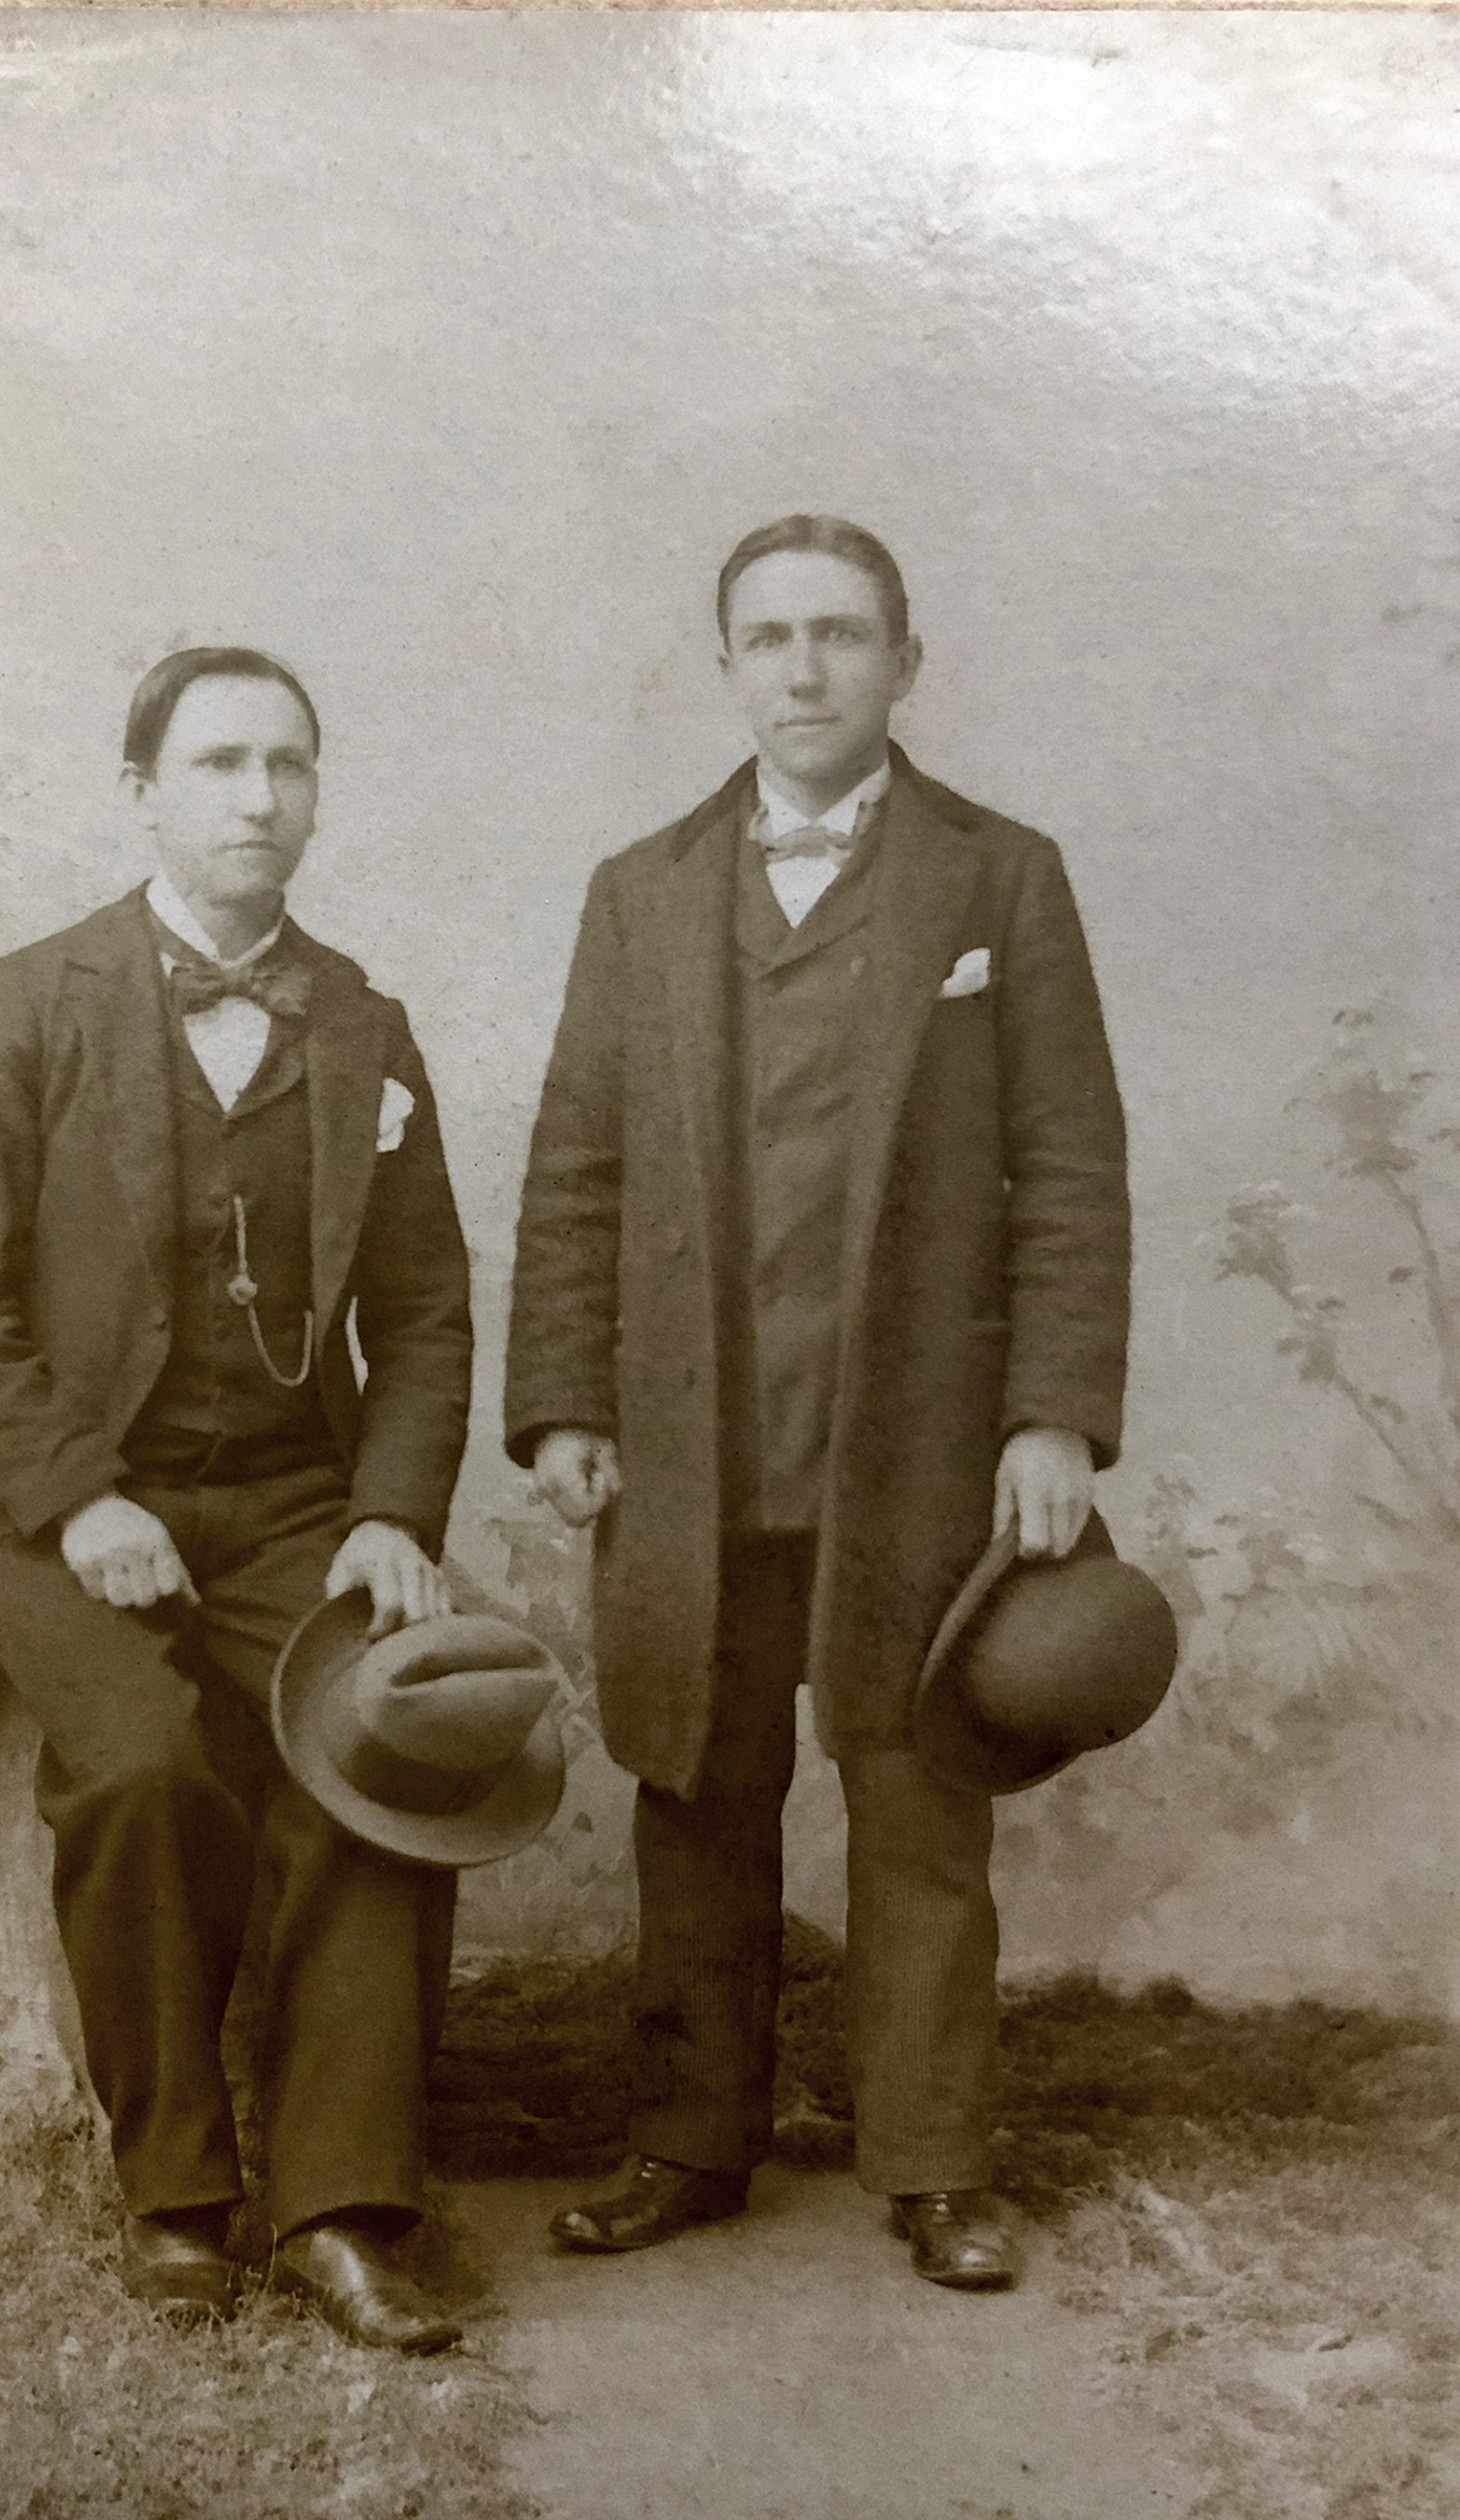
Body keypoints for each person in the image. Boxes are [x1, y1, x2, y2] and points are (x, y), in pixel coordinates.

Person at [505, 517, 1130, 2289]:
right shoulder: (642, 889)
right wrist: (562, 1400)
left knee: (920, 1802)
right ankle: (690, 2139)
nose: (803, 670)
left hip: (917, 1443)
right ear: (725, 667)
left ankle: (934, 2163)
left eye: (842, 636)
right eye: (768, 638)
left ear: (905, 663)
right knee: (696, 1795)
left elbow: (1071, 1162)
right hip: (693, 1443)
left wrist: (1055, 1414)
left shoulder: (1000, 878)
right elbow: (577, 1162)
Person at [0, 646, 473, 2350]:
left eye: (290, 764)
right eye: (219, 763)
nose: (258, 797)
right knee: (146, 1774)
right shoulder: (26, 999)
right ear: (140, 786)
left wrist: (391, 1509)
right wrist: (76, 1499)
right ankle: (179, 2196)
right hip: (65, 1515)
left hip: (301, 1505)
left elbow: (429, 1307)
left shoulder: (362, 1018)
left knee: (384, 1760)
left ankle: (346, 2207)